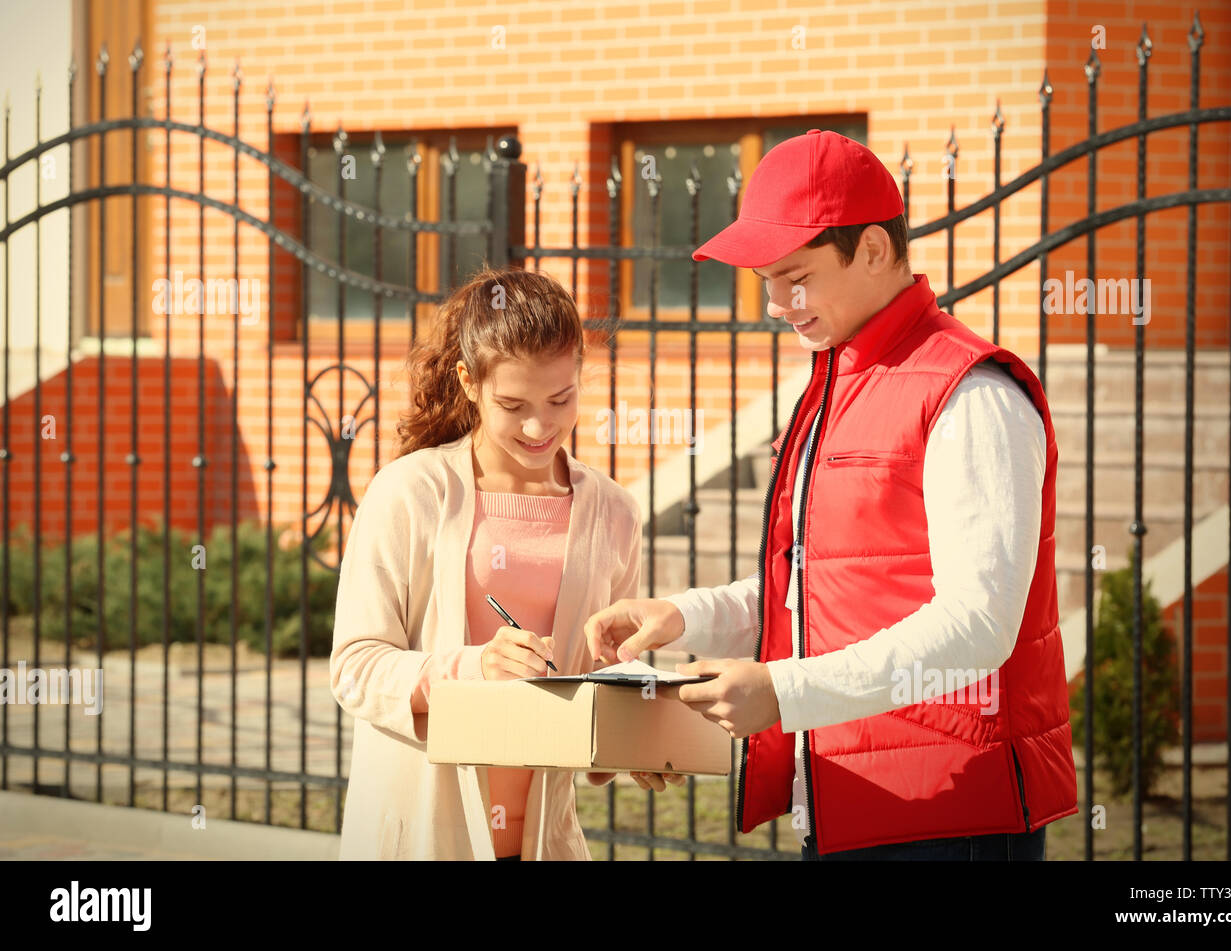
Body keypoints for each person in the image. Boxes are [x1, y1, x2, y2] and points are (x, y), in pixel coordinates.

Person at [584, 130, 1078, 860]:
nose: (778, 304)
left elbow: (979, 625)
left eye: (796, 276)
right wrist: (684, 616)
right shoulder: (838, 380)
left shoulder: (970, 392)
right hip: (857, 804)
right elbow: (822, 588)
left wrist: (785, 689)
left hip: (949, 817)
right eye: (766, 282)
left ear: (874, 249)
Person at [330, 266, 677, 861]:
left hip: (547, 843)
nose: (541, 426)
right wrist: (472, 668)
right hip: (419, 838)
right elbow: (355, 668)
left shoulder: (614, 513)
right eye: (512, 404)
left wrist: (635, 740)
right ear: (468, 382)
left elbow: (605, 676)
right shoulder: (409, 493)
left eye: (560, 399)